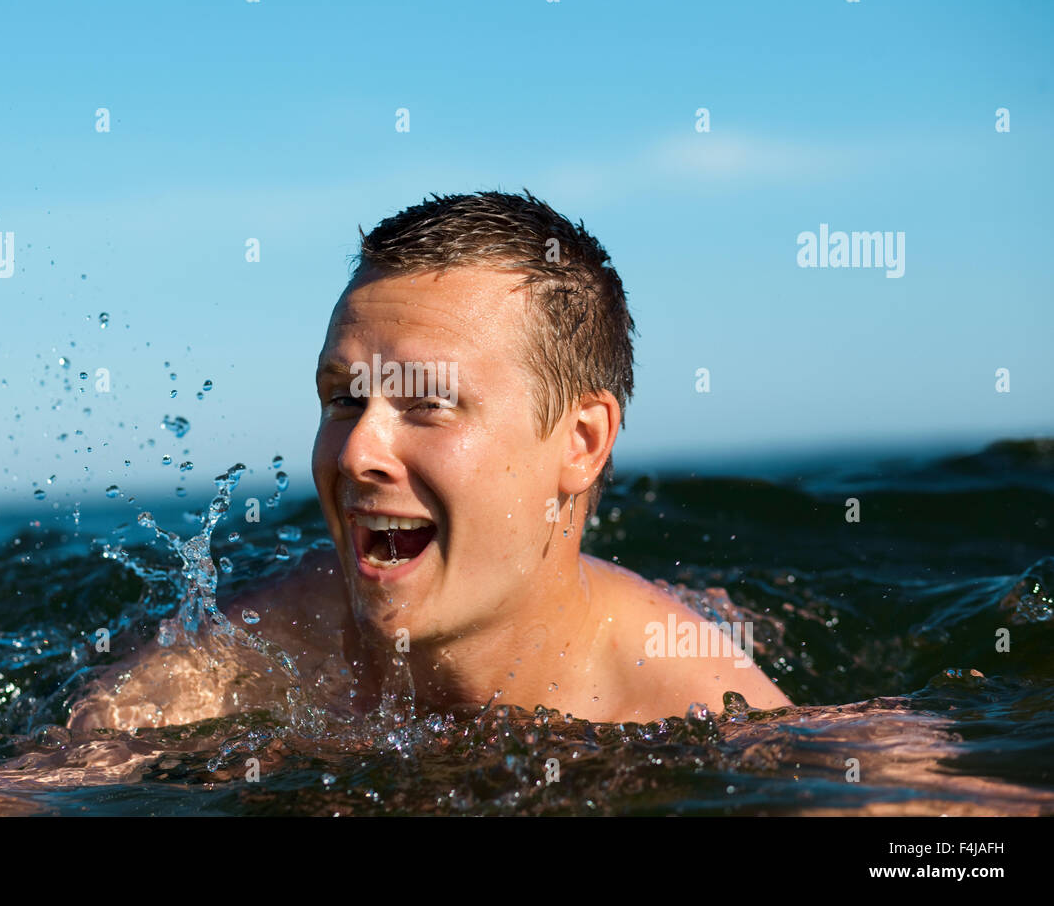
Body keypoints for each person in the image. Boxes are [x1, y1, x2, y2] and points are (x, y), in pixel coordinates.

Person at [67, 189, 792, 733]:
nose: (356, 453)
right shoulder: (248, 657)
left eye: (426, 403)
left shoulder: (697, 714)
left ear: (582, 442)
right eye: (345, 399)